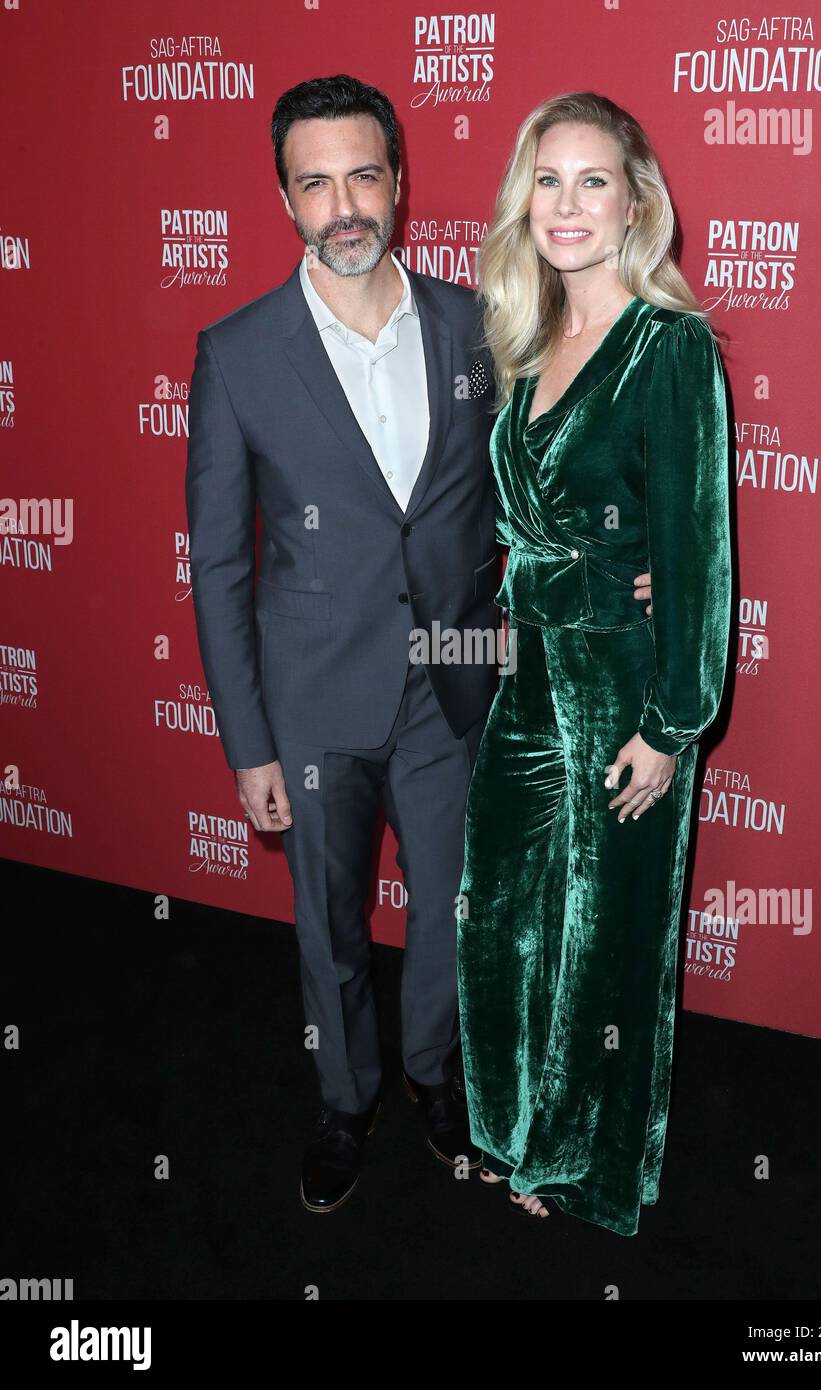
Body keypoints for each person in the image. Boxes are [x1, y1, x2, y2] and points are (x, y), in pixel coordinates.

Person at [185, 74, 656, 1215]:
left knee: (456, 909)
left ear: (398, 182)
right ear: (286, 198)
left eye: (362, 175)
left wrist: (622, 558)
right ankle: (346, 1101)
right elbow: (221, 566)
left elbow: (540, 482)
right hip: (312, 703)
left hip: (457, 685)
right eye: (315, 183)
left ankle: (438, 1081)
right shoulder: (237, 353)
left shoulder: (475, 324)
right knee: (330, 928)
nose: (343, 204)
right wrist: (248, 744)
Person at [457, 91, 733, 1234]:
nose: (566, 204)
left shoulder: (669, 348)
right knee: (506, 914)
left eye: (593, 181)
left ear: (635, 203)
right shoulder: (525, 341)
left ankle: (577, 1160)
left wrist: (674, 724)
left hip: (625, 686)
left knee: (602, 934)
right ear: (526, 198)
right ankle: (511, 1122)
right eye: (548, 179)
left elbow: (700, 555)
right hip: (528, 680)